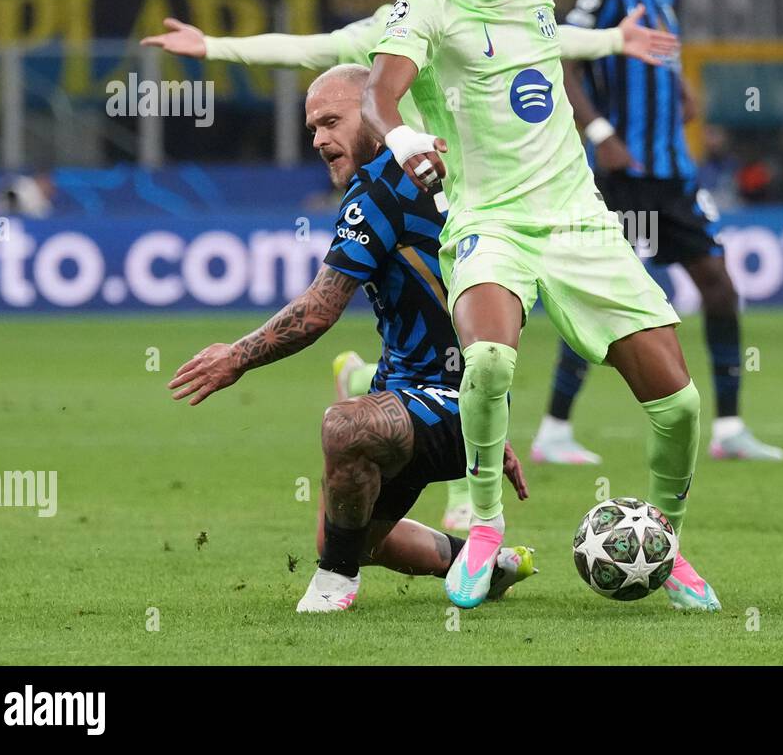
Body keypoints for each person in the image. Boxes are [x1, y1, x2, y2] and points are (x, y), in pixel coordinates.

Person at [142, 0, 679, 534]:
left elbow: (547, 38)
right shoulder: (392, 25)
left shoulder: (492, 5)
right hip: (413, 186)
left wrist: (613, 39)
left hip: (470, 190)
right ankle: (460, 490)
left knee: (480, 338)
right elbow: (306, 49)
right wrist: (213, 47)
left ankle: (388, 399)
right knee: (465, 334)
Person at [363, 0, 720, 611]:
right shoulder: (423, 0)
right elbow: (380, 92)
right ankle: (485, 528)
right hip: (490, 221)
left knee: (681, 406)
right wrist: (406, 141)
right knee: (488, 360)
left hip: (579, 219)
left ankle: (669, 541)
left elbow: (549, 59)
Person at [167, 63, 536, 612]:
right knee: (349, 532)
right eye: (312, 128)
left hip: (449, 403)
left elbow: (318, 311)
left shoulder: (380, 188)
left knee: (344, 426)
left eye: (331, 122)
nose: (318, 139)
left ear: (372, 114)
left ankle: (334, 587)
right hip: (437, 398)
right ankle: (481, 562)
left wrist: (236, 358)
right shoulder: (436, 168)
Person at [530, 0, 783, 464]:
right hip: (624, 179)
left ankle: (731, 427)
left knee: (718, 286)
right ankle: (553, 429)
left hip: (673, 177)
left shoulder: (663, 2)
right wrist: (598, 130)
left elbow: (656, 64)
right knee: (605, 299)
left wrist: (682, 92)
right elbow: (560, 57)